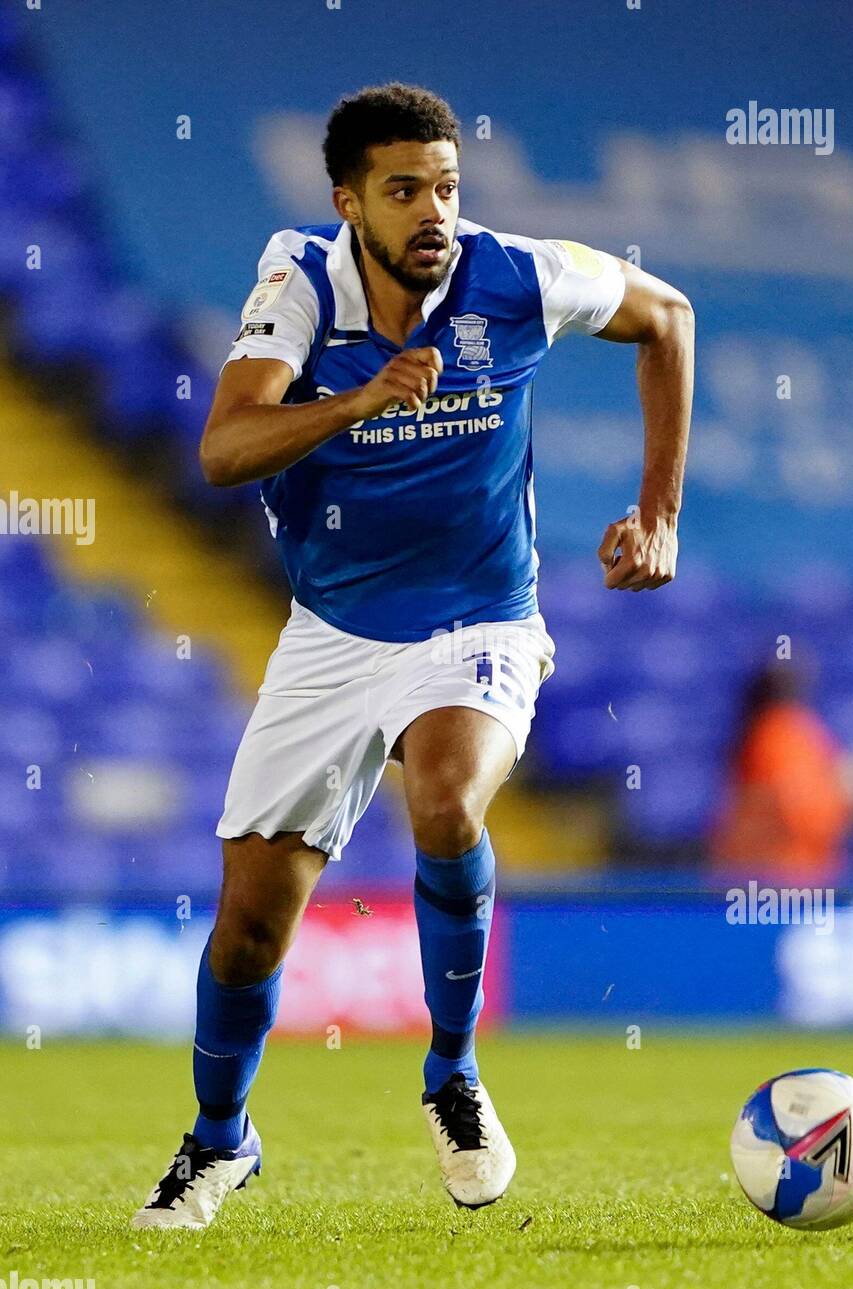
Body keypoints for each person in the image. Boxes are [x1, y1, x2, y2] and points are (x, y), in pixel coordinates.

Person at [133, 82, 694, 1228]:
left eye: (444, 185)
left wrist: (659, 513)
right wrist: (356, 402)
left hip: (477, 619)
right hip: (332, 635)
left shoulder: (518, 275)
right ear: (348, 202)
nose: (433, 211)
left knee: (444, 802)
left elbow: (668, 317)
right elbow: (226, 448)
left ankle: (451, 1075)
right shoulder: (298, 281)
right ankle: (219, 1140)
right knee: (248, 922)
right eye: (403, 191)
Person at [709, 663, 853, 882]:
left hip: (801, 872)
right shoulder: (778, 734)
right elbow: (798, 810)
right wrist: (851, 802)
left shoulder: (799, 730)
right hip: (776, 876)